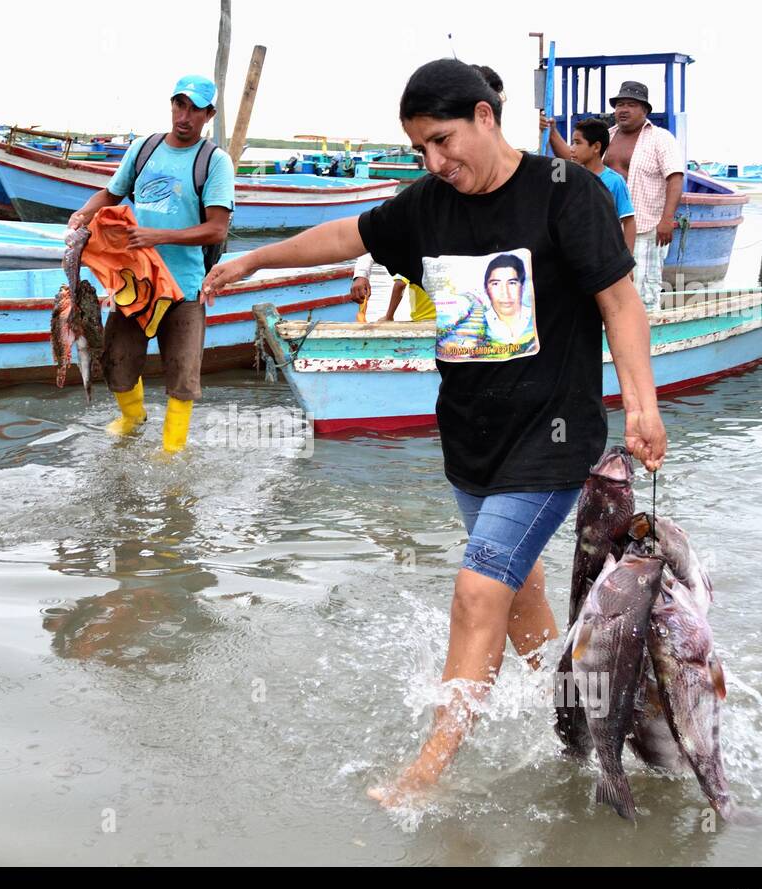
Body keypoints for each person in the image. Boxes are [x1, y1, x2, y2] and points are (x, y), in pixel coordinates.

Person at [203, 59, 666, 807]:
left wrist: (642, 405)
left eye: (444, 141)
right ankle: (582, 727)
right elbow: (345, 234)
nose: (435, 161)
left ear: (487, 116)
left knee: (479, 586)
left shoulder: (564, 193)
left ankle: (428, 771)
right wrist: (254, 258)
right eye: (420, 149)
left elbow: (619, 300)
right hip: (470, 438)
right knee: (517, 592)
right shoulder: (427, 206)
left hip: (550, 435)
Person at [66, 75, 235, 455]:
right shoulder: (144, 148)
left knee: (182, 375)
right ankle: (132, 418)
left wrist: (159, 236)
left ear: (209, 114)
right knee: (116, 363)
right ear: (171, 105)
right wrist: (82, 214)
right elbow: (110, 194)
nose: (185, 116)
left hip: (185, 286)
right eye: (179, 105)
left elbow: (217, 229)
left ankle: (172, 450)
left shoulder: (214, 162)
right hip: (136, 283)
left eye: (195, 109)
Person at [602, 81, 684, 309]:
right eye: (619, 104)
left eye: (630, 104)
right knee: (610, 292)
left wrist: (667, 219)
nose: (623, 109)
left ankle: (651, 341)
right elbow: (575, 161)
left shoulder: (661, 138)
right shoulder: (607, 136)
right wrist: (548, 133)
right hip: (608, 229)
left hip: (646, 229)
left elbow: (675, 178)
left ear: (644, 110)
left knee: (644, 294)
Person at [542, 115, 636, 251]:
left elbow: (628, 221)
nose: (572, 149)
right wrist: (548, 129)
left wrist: (628, 260)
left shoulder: (615, 181)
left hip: (605, 256)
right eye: (572, 143)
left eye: (578, 143)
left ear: (596, 147)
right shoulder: (567, 177)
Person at [350, 254, 436, 323]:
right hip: (445, 317)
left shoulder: (413, 258)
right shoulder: (443, 259)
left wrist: (389, 316)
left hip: (423, 319)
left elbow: (400, 285)